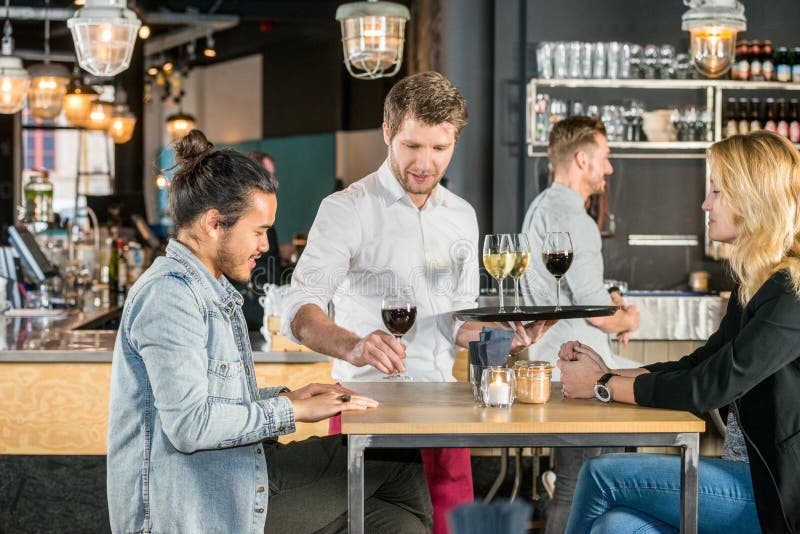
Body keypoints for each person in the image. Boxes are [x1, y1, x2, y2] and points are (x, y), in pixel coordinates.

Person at [106, 129, 433, 534]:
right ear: (213, 223)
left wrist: (284, 397)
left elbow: (206, 400)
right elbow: (190, 425)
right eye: (258, 230)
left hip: (232, 473)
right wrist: (292, 411)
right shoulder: (170, 296)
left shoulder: (204, 288)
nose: (265, 244)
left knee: (395, 513)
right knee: (395, 468)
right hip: (198, 506)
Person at [282, 71, 554, 534]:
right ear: (387, 133)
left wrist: (500, 338)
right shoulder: (347, 208)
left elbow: (455, 324)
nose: (425, 163)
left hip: (444, 411)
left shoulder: (462, 217)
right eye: (412, 146)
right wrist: (353, 346)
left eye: (439, 148)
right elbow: (301, 310)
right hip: (368, 409)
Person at [559, 130, 800, 534]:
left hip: (773, 493)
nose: (705, 204)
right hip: (745, 478)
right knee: (615, 527)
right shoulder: (754, 282)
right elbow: (699, 363)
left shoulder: (790, 291)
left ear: (752, 200)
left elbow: (711, 386)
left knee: (600, 475)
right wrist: (612, 374)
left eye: (717, 191)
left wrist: (602, 385)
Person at [519, 115, 641, 534]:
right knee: (578, 484)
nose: (609, 169)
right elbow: (594, 312)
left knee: (577, 482)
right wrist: (626, 317)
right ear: (583, 159)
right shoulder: (575, 219)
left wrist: (610, 307)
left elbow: (575, 294)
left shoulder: (542, 207)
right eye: (605, 159)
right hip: (576, 370)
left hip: (553, 364)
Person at [232, 150, 281, 331]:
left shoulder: (269, 227)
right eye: (266, 174)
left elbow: (273, 271)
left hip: (265, 307)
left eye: (272, 174)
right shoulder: (234, 223)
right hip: (245, 312)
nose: (272, 180)